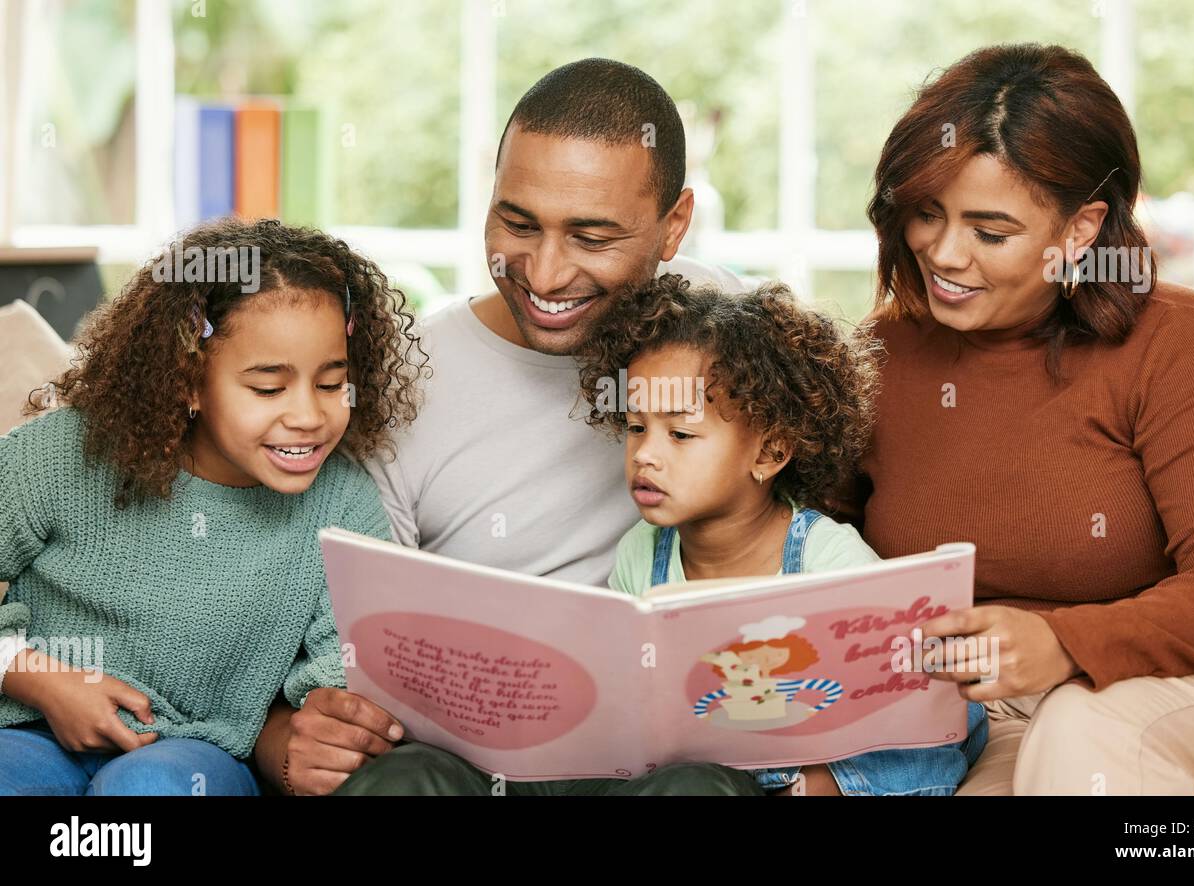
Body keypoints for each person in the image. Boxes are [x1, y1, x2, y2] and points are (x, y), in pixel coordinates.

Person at [254, 59, 758, 796]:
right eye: (517, 224)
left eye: (592, 237)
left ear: (673, 225)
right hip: (461, 762)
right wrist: (279, 737)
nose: (546, 274)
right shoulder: (403, 382)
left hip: (660, 757)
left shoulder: (731, 331)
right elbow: (315, 625)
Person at [850, 43, 1194, 794]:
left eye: (990, 233)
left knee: (1081, 735)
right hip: (979, 716)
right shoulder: (881, 354)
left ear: (1081, 230)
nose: (944, 253)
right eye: (927, 214)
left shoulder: (1178, 344)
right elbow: (808, 551)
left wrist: (1062, 641)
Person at [0, 218, 427, 795]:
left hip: (193, 756)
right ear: (190, 382)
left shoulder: (345, 506)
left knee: (150, 790)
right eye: (268, 388)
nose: (307, 415)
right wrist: (44, 682)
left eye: (331, 383)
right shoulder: (61, 454)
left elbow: (348, 667)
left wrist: (337, 720)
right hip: (31, 730)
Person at [584, 275, 988, 795]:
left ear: (770, 454)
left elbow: (896, 697)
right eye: (636, 427)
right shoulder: (640, 552)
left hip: (829, 749)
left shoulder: (826, 552)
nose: (645, 454)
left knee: (929, 721)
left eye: (680, 434)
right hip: (708, 761)